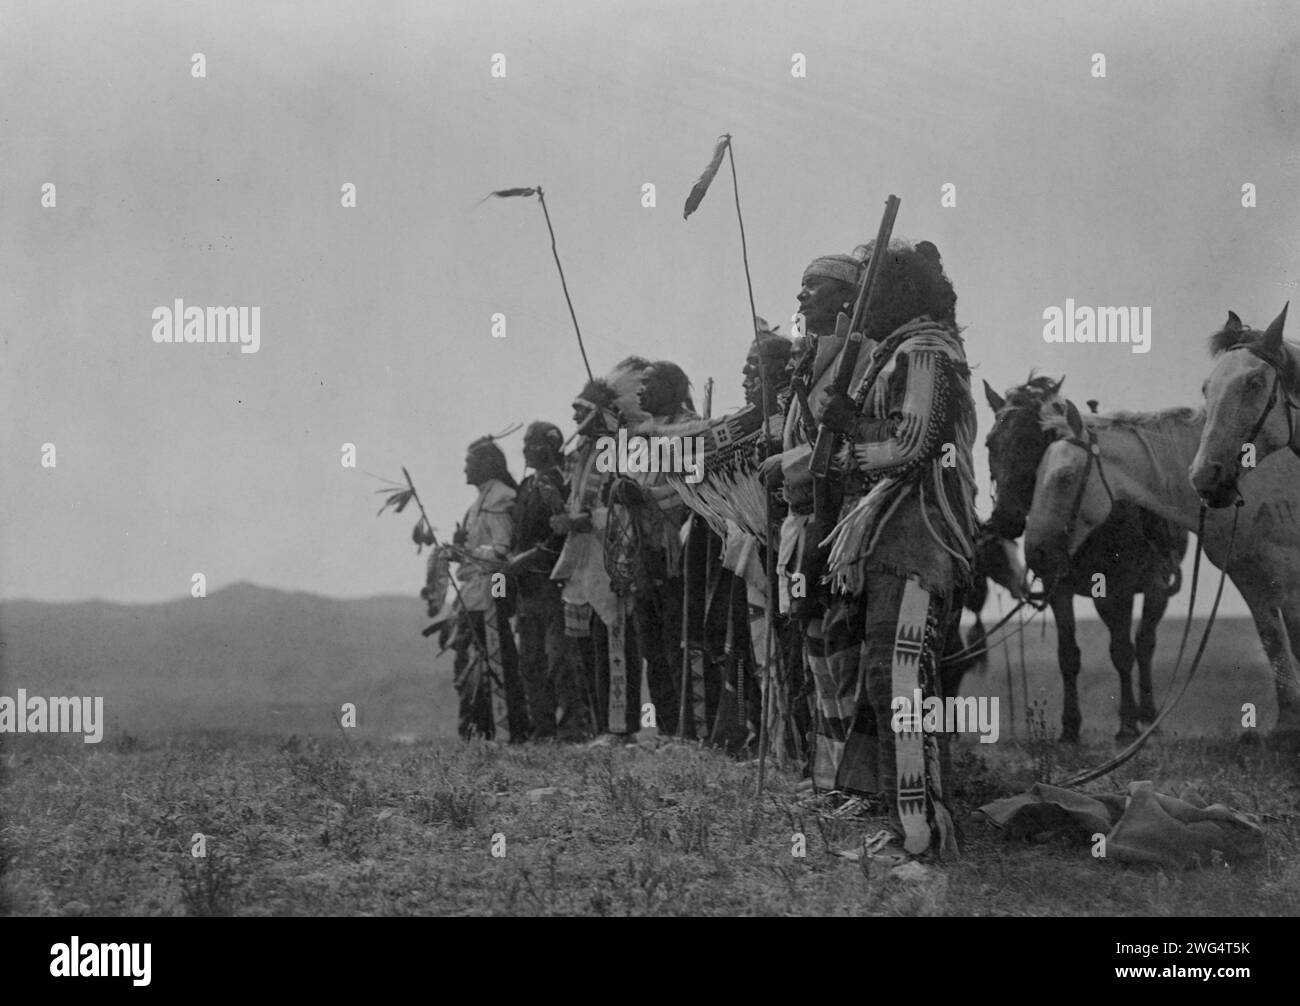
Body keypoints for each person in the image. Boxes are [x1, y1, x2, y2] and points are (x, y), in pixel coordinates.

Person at [781, 240, 978, 859]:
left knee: (902, 684)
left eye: (871, 287)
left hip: (918, 540)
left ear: (896, 292)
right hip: (890, 543)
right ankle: (903, 828)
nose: (859, 303)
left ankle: (921, 839)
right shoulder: (898, 353)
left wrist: (846, 434)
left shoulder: (925, 351)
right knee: (887, 678)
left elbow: (912, 445)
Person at [550, 357, 653, 740]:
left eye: (581, 411)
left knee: (616, 644)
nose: (574, 417)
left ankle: (620, 728)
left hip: (613, 562)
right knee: (589, 647)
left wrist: (586, 520)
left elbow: (628, 504)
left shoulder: (624, 450)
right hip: (584, 565)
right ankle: (600, 727)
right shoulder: (585, 454)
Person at [504, 421, 587, 741]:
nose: (525, 449)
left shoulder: (564, 483)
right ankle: (542, 730)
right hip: (528, 589)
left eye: (532, 442)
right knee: (531, 663)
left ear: (550, 446)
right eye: (525, 443)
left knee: (560, 661)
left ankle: (571, 730)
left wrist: (527, 559)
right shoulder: (525, 487)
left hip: (556, 585)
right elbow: (517, 536)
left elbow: (561, 536)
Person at [450, 436, 532, 741]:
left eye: (469, 464)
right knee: (473, 660)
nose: (464, 471)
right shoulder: (479, 503)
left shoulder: (500, 497)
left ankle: (506, 730)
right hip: (474, 592)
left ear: (487, 465)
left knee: (496, 658)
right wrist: (458, 551)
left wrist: (467, 553)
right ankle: (479, 729)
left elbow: (501, 551)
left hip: (493, 590)